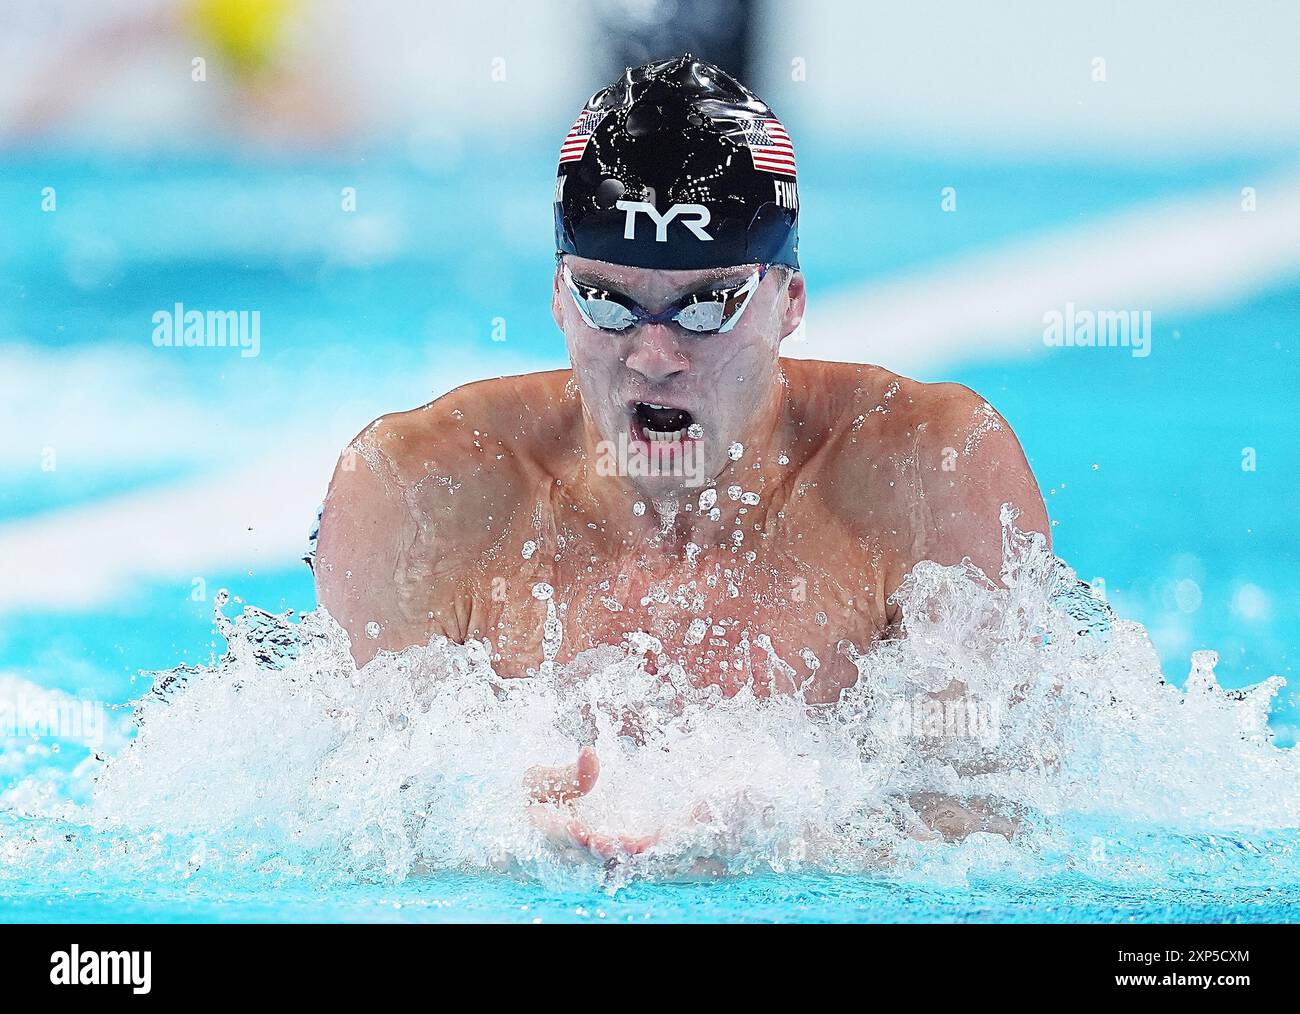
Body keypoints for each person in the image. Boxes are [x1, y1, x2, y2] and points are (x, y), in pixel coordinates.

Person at [315, 55, 1049, 858]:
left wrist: (774, 841)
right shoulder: (419, 490)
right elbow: (349, 823)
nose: (655, 354)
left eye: (706, 307)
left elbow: (990, 820)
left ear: (790, 300)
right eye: (607, 303)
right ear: (558, 296)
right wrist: (491, 829)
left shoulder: (931, 469)